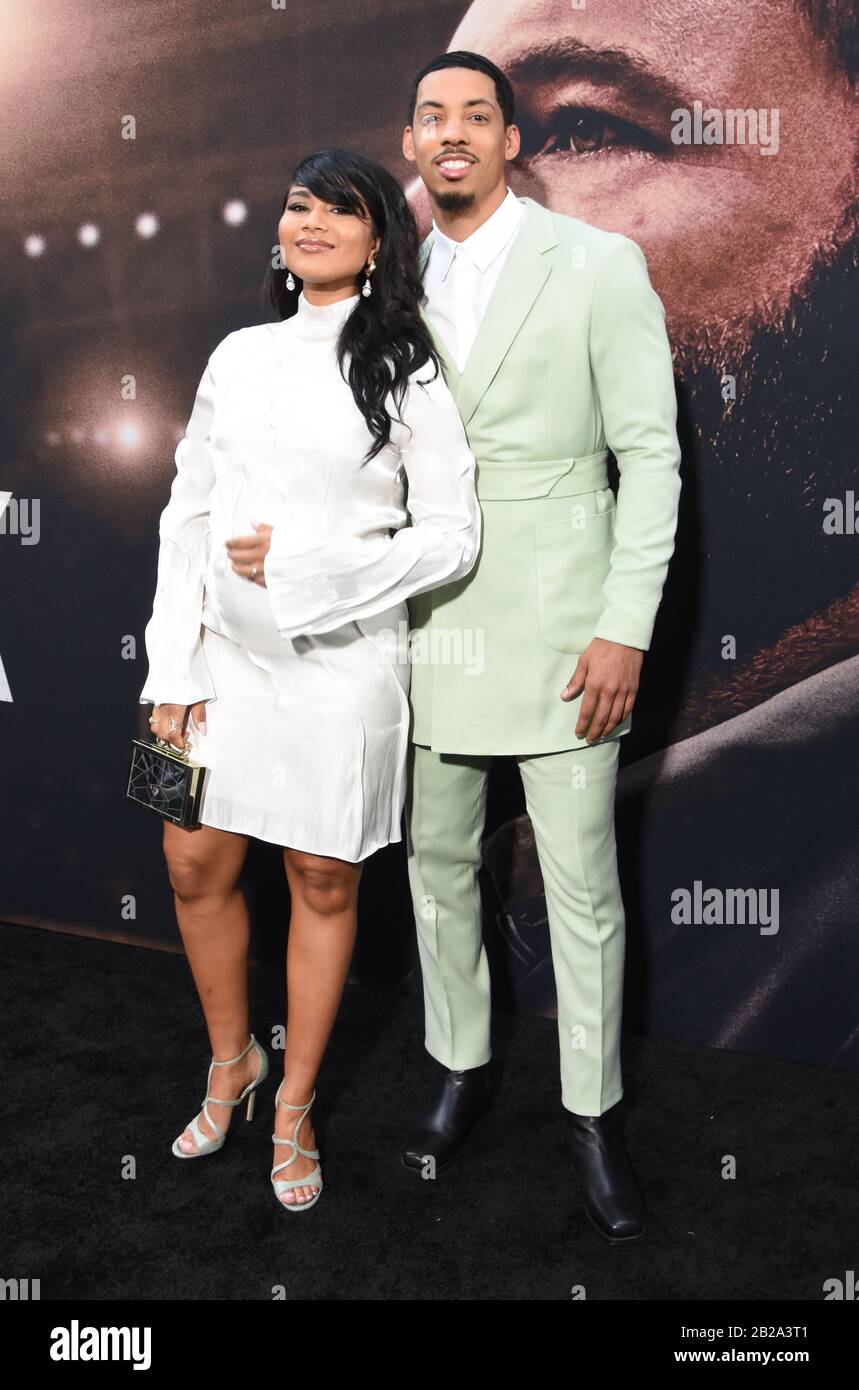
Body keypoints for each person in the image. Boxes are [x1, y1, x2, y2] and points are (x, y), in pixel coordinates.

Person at [138, 148, 481, 1211]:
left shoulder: (408, 362)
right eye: (299, 206)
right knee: (192, 861)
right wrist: (170, 664)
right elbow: (186, 515)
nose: (315, 222)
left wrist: (308, 567)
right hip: (218, 665)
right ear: (280, 236)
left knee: (322, 882)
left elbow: (453, 536)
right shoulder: (237, 353)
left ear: (380, 241)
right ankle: (229, 1060)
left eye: (343, 209)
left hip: (341, 668)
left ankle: (292, 1102)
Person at [398, 52, 682, 1243]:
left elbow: (651, 457)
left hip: (568, 619)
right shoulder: (385, 277)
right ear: (412, 144)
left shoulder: (598, 264)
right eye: (430, 117)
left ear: (511, 141)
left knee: (581, 889)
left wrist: (623, 626)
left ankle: (591, 1111)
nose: (450, 133)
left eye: (474, 115)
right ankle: (462, 1065)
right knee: (435, 867)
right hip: (424, 622)